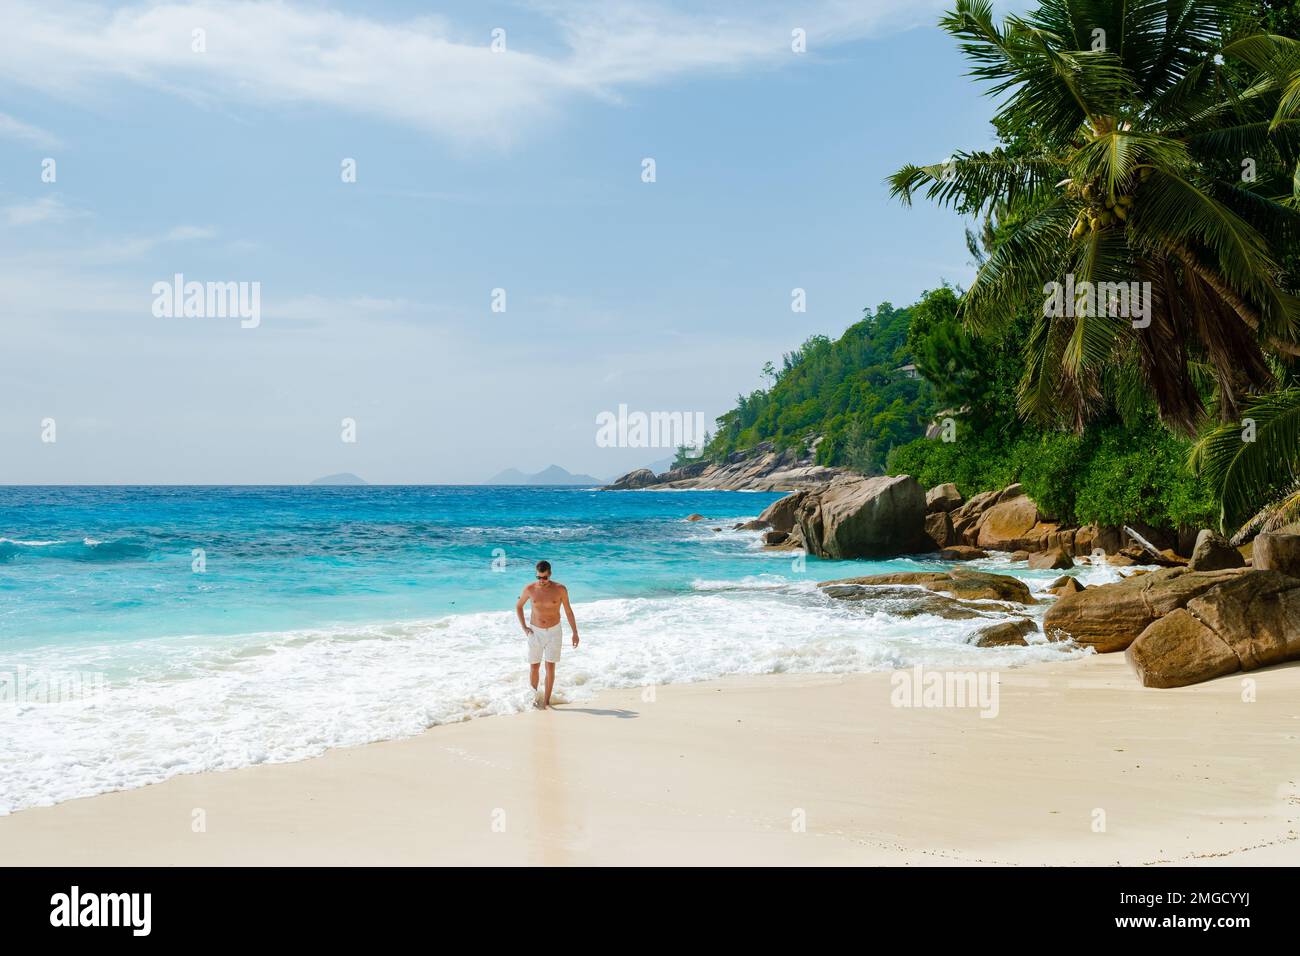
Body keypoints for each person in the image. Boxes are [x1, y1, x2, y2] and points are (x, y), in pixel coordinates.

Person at [515, 560, 579, 708]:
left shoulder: (560, 589)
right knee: (534, 667)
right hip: (535, 632)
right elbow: (518, 606)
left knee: (550, 667)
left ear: (550, 574)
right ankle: (534, 699)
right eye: (539, 577)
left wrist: (575, 632)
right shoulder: (530, 589)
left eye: (544, 577)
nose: (541, 581)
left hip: (554, 631)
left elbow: (568, 611)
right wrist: (524, 627)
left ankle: (546, 702)